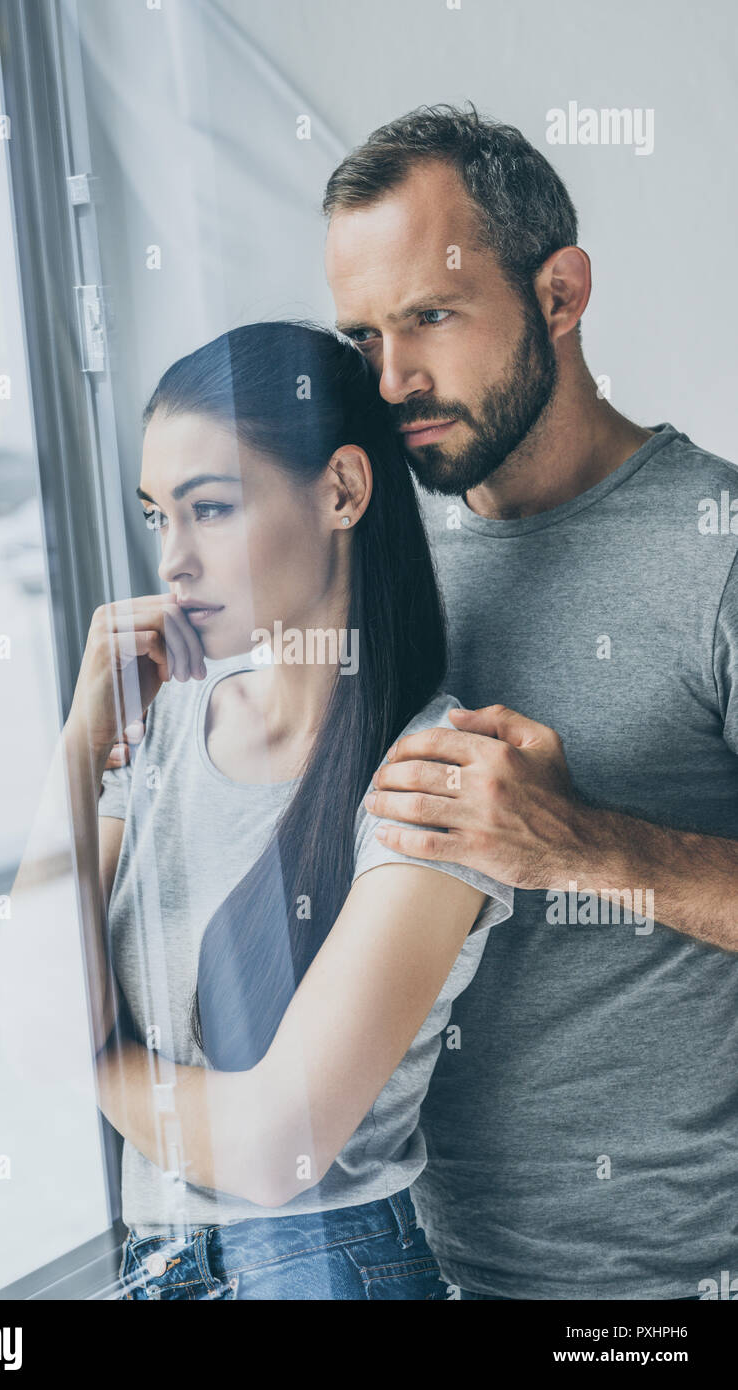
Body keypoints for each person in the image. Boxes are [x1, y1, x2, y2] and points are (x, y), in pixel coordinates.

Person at [318, 102, 738, 1301]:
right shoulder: (377, 558)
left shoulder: (718, 548)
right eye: (363, 338)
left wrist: (589, 843)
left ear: (560, 293)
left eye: (431, 318)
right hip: (404, 1272)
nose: (393, 379)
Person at [12, 319, 514, 1301]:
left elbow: (273, 1149)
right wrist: (81, 742)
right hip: (156, 1261)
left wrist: (94, 1054)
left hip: (324, 1268)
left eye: (211, 508)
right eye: (158, 515)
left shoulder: (431, 771)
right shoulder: (162, 717)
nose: (175, 560)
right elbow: (27, 1007)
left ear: (341, 492)